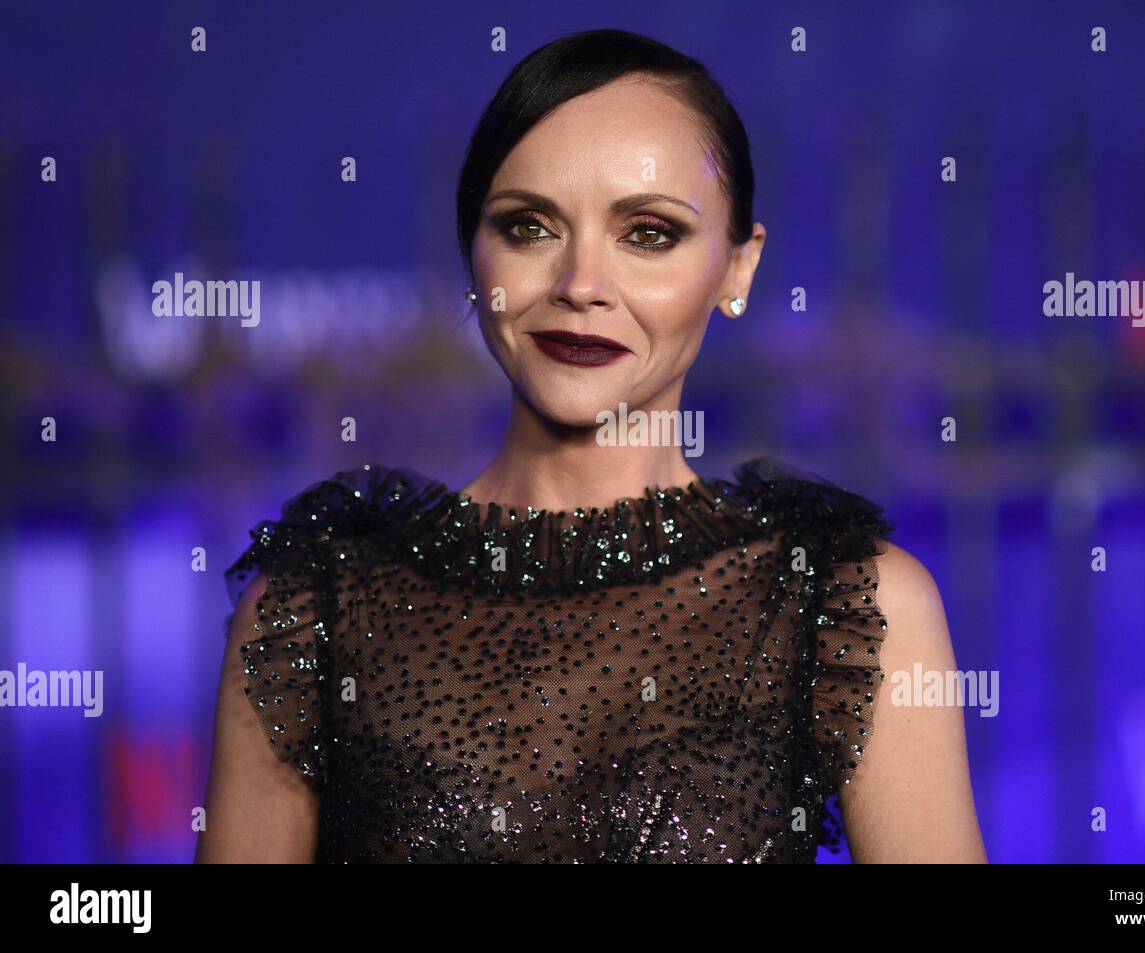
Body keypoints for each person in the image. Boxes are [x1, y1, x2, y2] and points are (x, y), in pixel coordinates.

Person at [196, 27, 985, 863]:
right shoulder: (313, 612)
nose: (580, 286)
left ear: (738, 269)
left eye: (648, 233)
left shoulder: (843, 602)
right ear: (475, 254)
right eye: (529, 226)